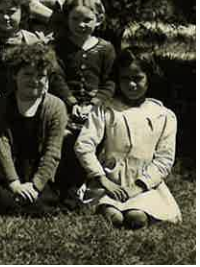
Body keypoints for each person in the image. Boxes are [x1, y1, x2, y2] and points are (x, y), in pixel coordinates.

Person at [75, 49, 181, 228]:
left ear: (149, 78)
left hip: (144, 184)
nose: (131, 84)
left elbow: (164, 159)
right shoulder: (105, 110)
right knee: (113, 217)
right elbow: (84, 145)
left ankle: (139, 210)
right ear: (117, 79)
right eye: (125, 78)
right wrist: (102, 179)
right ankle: (108, 208)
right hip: (109, 182)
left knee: (137, 217)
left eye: (137, 78)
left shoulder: (163, 115)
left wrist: (138, 187)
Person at [47, 0, 117, 203]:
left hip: (98, 107)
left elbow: (111, 81)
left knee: (98, 137)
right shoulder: (58, 46)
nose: (81, 25)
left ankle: (94, 183)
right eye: (75, 19)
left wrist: (95, 103)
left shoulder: (105, 48)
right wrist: (72, 102)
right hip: (66, 104)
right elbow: (56, 78)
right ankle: (67, 185)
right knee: (68, 137)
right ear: (67, 19)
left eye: (87, 19)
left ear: (99, 20)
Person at [0, 43, 68, 215]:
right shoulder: (1, 105)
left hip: (41, 169)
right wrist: (14, 183)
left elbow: (52, 151)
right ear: (15, 75)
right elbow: (1, 146)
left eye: (41, 76)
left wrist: (36, 185)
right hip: (13, 167)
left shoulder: (56, 106)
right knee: (7, 203)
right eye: (27, 74)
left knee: (41, 206)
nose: (34, 81)